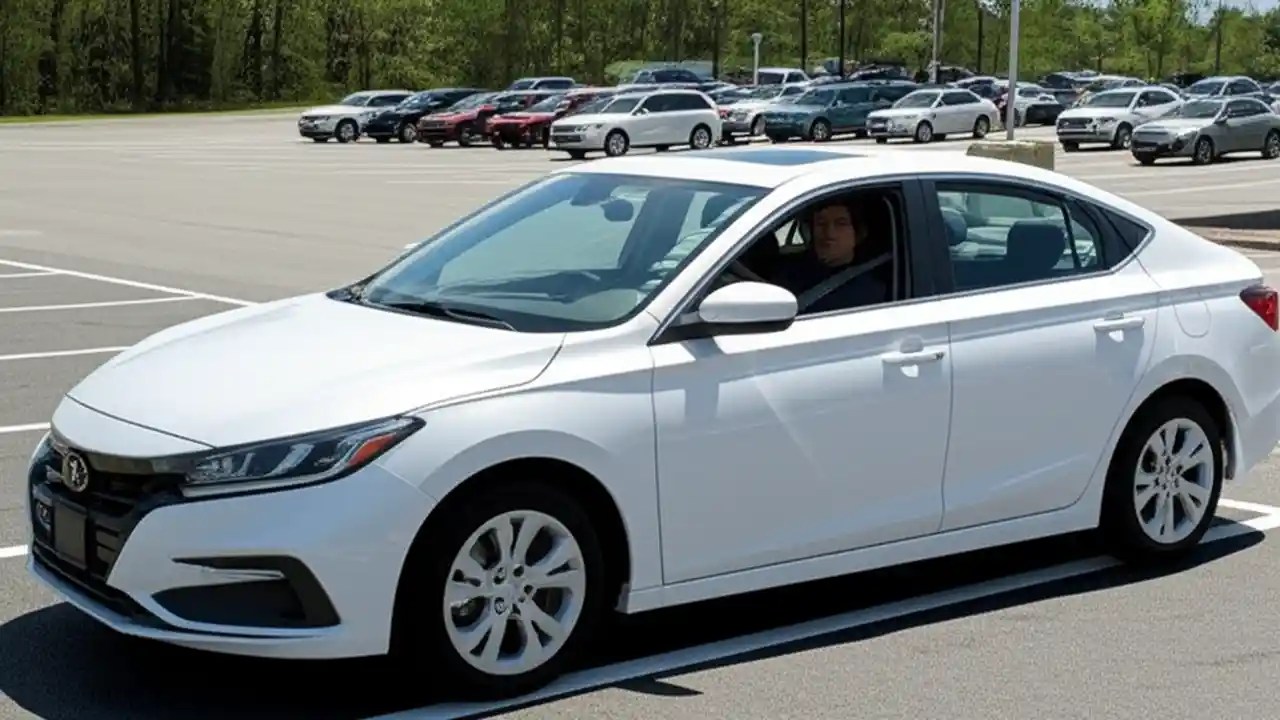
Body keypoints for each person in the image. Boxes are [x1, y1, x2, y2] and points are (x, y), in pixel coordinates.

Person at [773, 197, 892, 314]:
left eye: (841, 224)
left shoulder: (869, 291)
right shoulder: (791, 272)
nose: (829, 233)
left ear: (858, 233)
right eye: (821, 223)